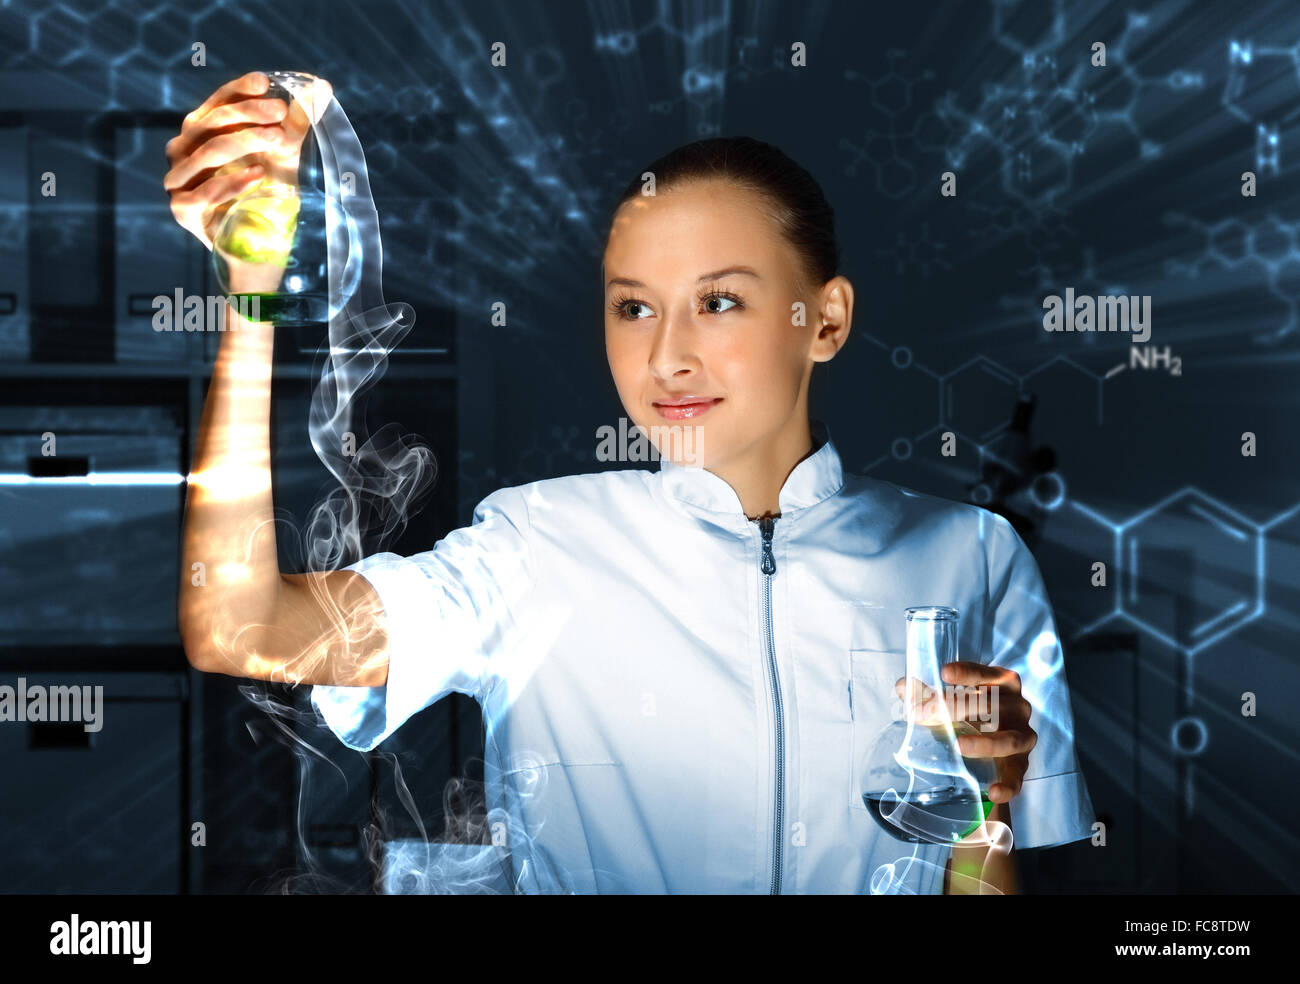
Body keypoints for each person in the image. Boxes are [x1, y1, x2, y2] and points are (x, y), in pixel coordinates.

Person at [167, 71, 1096, 895]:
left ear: (826, 319)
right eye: (633, 307)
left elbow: (977, 875)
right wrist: (250, 291)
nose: (667, 357)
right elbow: (240, 627)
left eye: (719, 301)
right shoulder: (534, 550)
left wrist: (979, 813)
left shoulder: (973, 558)